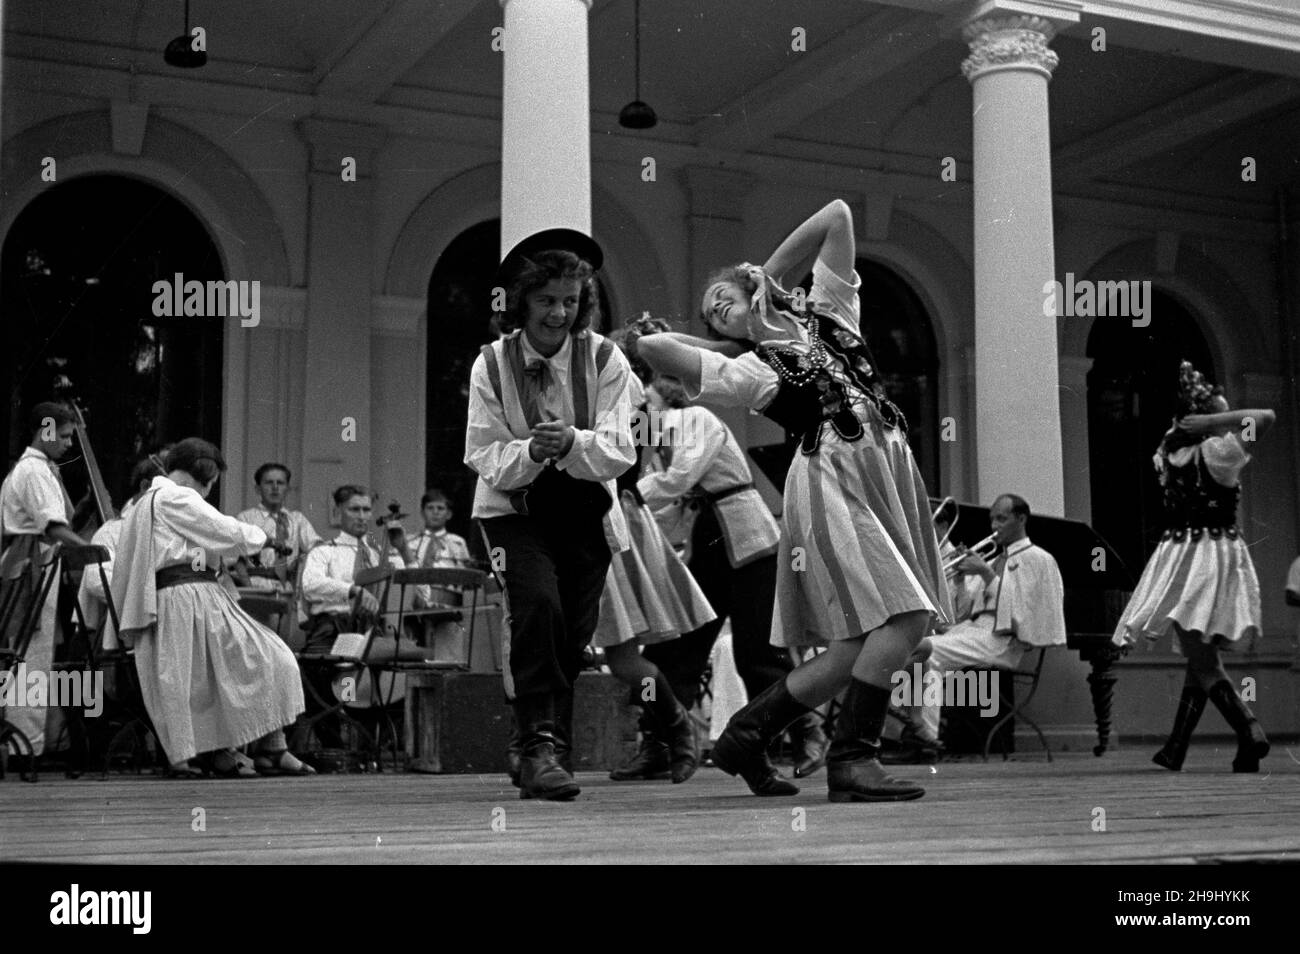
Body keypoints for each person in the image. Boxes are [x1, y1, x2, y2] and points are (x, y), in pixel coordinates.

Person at [638, 199, 951, 802]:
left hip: (885, 468)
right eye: (712, 314)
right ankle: (853, 759)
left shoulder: (834, 312)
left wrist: (769, 279)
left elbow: (836, 216)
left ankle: (745, 734)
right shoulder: (753, 370)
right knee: (906, 618)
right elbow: (657, 354)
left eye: (723, 297)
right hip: (830, 480)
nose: (718, 311)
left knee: (853, 649)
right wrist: (726, 338)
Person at [465, 228, 635, 800]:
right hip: (514, 507)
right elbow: (482, 451)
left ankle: (539, 744)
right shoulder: (489, 364)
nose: (558, 313)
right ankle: (539, 748)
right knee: (536, 604)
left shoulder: (608, 360)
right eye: (545, 300)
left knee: (573, 630)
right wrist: (529, 451)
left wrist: (572, 443)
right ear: (521, 302)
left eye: (569, 300)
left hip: (583, 506)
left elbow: (620, 449)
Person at [632, 370, 827, 778]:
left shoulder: (696, 419)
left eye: (642, 396)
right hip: (709, 536)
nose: (634, 407)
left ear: (661, 394)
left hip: (747, 535)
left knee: (757, 651)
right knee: (678, 643)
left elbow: (677, 479)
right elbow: (667, 498)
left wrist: (624, 495)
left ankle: (805, 732)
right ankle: (660, 744)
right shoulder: (654, 435)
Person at [110, 438, 312, 777]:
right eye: (213, 481)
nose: (210, 491)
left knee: (238, 666)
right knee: (262, 658)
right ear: (204, 472)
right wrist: (265, 539)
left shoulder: (150, 501)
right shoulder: (176, 496)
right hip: (185, 595)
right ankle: (230, 752)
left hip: (192, 594)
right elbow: (224, 529)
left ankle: (267, 747)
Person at [1114, 361, 1274, 773]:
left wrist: (1200, 419)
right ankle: (1210, 740)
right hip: (1218, 553)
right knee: (1200, 655)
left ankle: (1239, 732)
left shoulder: (1168, 455)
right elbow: (1265, 418)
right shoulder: (1220, 454)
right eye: (1218, 417)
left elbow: (1178, 436)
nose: (1226, 423)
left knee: (1199, 655)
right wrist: (1218, 418)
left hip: (1183, 554)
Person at [598, 328, 717, 784]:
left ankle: (674, 729)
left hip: (611, 516)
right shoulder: (640, 405)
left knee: (622, 654)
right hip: (617, 511)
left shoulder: (631, 402)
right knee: (616, 653)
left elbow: (639, 466)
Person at [902, 494, 1066, 749]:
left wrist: (987, 575)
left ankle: (922, 735)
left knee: (925, 652)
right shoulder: (991, 560)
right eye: (992, 519)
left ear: (1021, 519)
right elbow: (964, 612)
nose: (994, 526)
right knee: (912, 646)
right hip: (973, 630)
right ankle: (919, 732)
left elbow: (1028, 613)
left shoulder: (1040, 560)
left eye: (1002, 518)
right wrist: (959, 580)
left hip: (1003, 640)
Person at [0, 402, 90, 759]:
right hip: (30, 566)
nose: (69, 444)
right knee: (30, 654)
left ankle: (29, 740)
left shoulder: (37, 469)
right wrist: (93, 550)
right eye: (66, 435)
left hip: (31, 561)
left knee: (32, 654)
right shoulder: (35, 471)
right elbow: (52, 527)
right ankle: (24, 745)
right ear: (46, 430)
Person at [298, 484, 417, 747]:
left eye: (366, 509)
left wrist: (405, 550)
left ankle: (370, 745)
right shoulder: (324, 551)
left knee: (401, 672)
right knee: (313, 672)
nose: (362, 515)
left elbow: (420, 590)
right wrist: (353, 591)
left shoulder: (378, 555)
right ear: (337, 511)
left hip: (370, 631)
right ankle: (334, 748)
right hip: (332, 628)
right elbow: (311, 584)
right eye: (354, 509)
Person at [78, 451, 171, 650]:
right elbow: (96, 580)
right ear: (145, 487)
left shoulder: (169, 529)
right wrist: (145, 598)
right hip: (119, 633)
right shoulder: (113, 530)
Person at [234, 463, 320, 594]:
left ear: (288, 489)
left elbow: (317, 547)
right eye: (269, 483)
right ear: (258, 489)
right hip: (255, 585)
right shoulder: (246, 519)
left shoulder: (297, 520)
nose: (275, 488)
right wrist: (249, 588)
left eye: (280, 483)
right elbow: (235, 558)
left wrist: (302, 561)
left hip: (288, 588)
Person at [408, 488, 472, 608]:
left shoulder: (457, 542)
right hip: (414, 603)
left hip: (447, 602)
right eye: (430, 508)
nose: (435, 512)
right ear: (422, 512)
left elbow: (465, 577)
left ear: (449, 514)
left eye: (440, 508)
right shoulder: (411, 542)